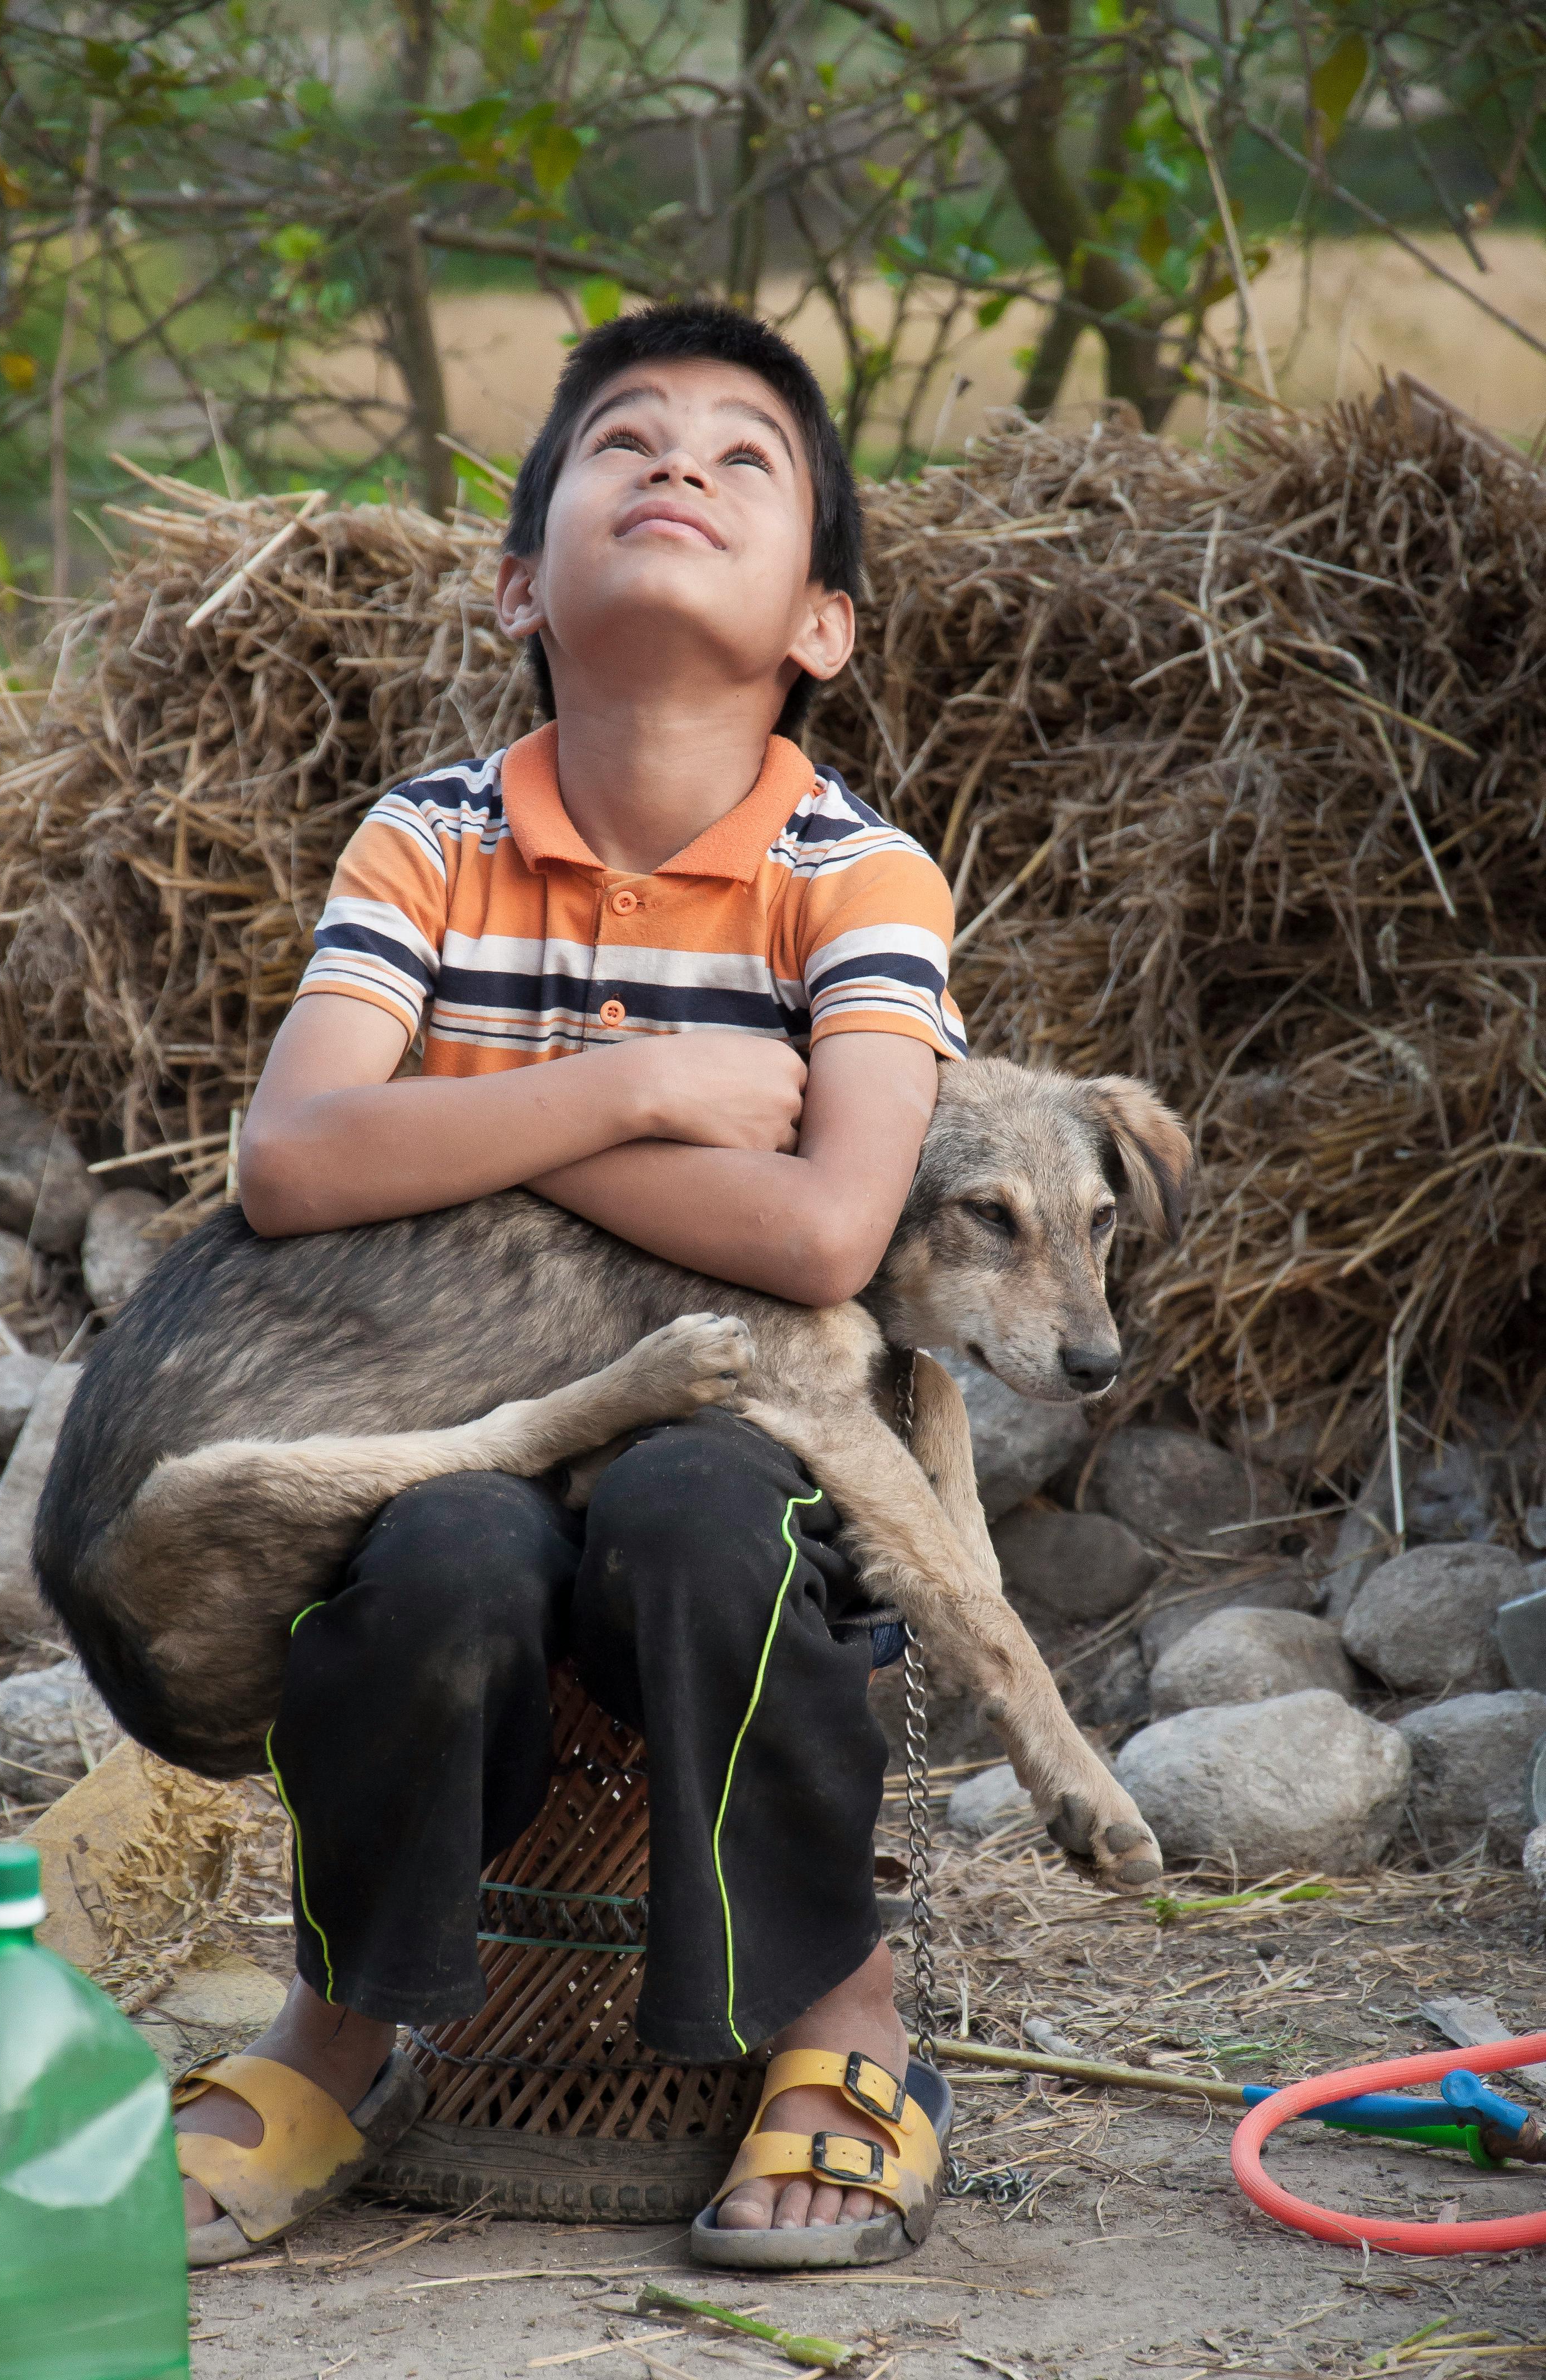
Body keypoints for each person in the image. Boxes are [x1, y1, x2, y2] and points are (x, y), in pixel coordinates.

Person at [172, 301, 966, 2272]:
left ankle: (838, 2018)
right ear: (523, 580)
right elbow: (290, 1167)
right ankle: (345, 2024)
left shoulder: (860, 876)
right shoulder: (429, 839)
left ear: (821, 626)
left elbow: (824, 1238)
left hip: (741, 1438)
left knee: (706, 1517)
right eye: (626, 442)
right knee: (435, 1551)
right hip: (469, 1419)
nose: (681, 466)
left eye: (744, 458)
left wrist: (474, 1112)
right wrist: (648, 1087)